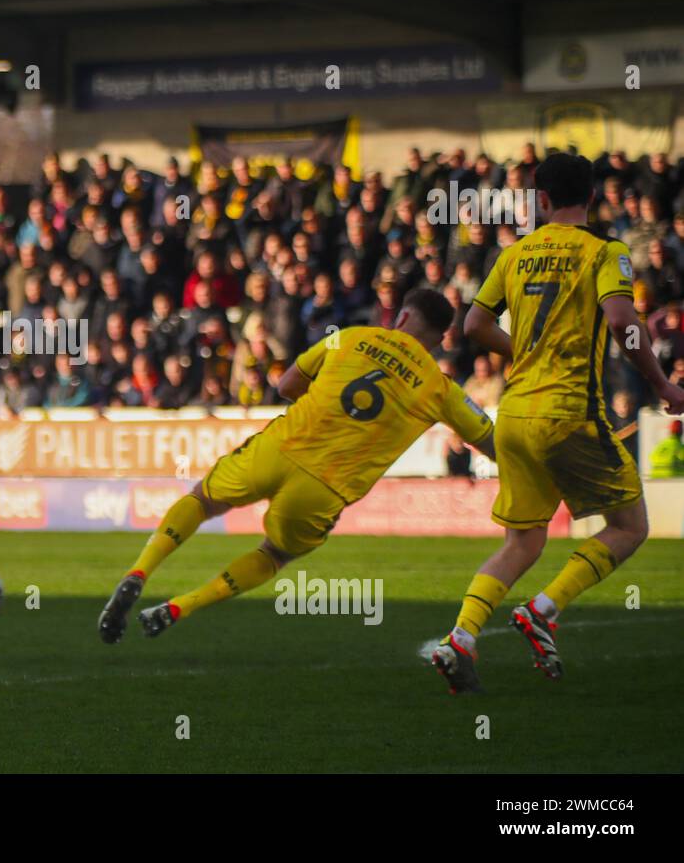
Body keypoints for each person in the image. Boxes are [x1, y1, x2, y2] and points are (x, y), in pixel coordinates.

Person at [98, 290, 495, 643]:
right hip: (325, 488)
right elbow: (490, 441)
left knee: (202, 499)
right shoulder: (443, 389)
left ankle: (139, 573)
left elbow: (286, 385)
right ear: (442, 339)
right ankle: (182, 605)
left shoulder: (350, 336)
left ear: (401, 317)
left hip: (281, 446)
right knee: (274, 554)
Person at [434, 153, 684, 694]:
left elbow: (474, 323)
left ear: (540, 201)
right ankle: (543, 610)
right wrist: (662, 384)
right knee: (629, 527)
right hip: (569, 411)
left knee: (522, 542)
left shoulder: (515, 253)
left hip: (514, 415)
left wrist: (520, 346)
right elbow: (623, 322)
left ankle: (461, 638)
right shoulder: (605, 251)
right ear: (591, 197)